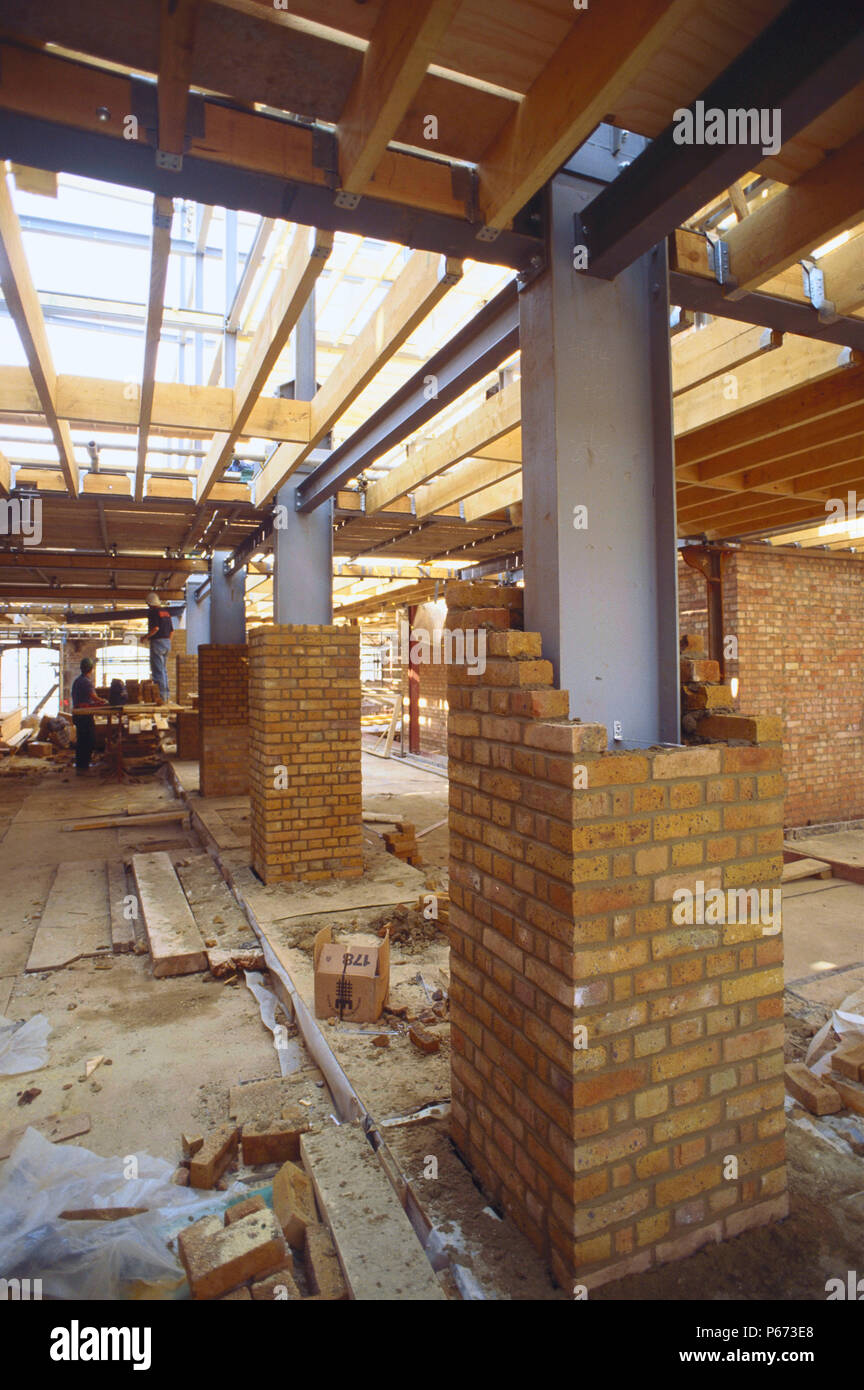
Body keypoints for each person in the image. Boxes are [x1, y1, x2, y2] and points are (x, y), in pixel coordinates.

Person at [71, 656, 107, 775]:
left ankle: (81, 766)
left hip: (78, 715)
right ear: (91, 669)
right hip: (83, 715)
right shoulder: (86, 682)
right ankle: (83, 768)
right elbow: (93, 696)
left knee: (82, 740)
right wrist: (103, 701)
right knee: (88, 741)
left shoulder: (77, 680)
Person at [146, 591, 173, 702]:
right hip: (167, 642)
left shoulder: (153, 612)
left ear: (149, 604)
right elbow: (172, 631)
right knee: (163, 670)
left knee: (157, 671)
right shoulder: (166, 612)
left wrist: (145, 637)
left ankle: (161, 697)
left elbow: (155, 628)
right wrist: (167, 642)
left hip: (157, 642)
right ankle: (166, 696)